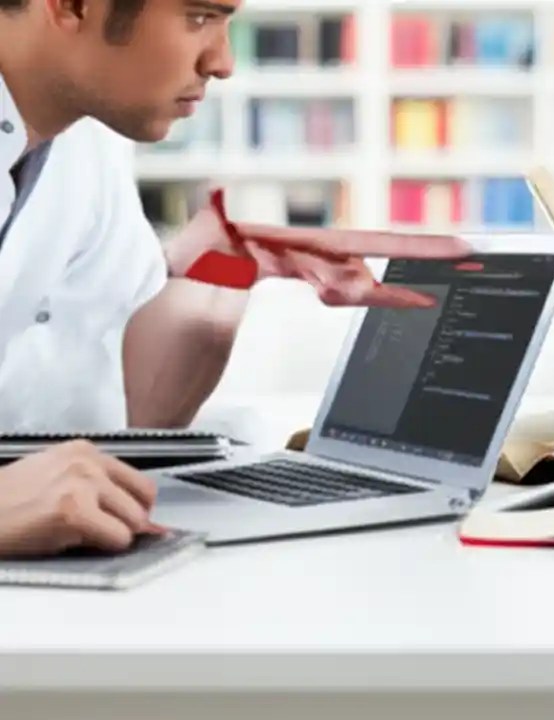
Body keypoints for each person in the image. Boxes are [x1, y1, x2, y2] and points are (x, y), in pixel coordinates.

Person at [0, 0, 467, 556]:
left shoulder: (87, 144)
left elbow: (101, 437)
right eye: (199, 17)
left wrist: (206, 283)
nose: (223, 63)